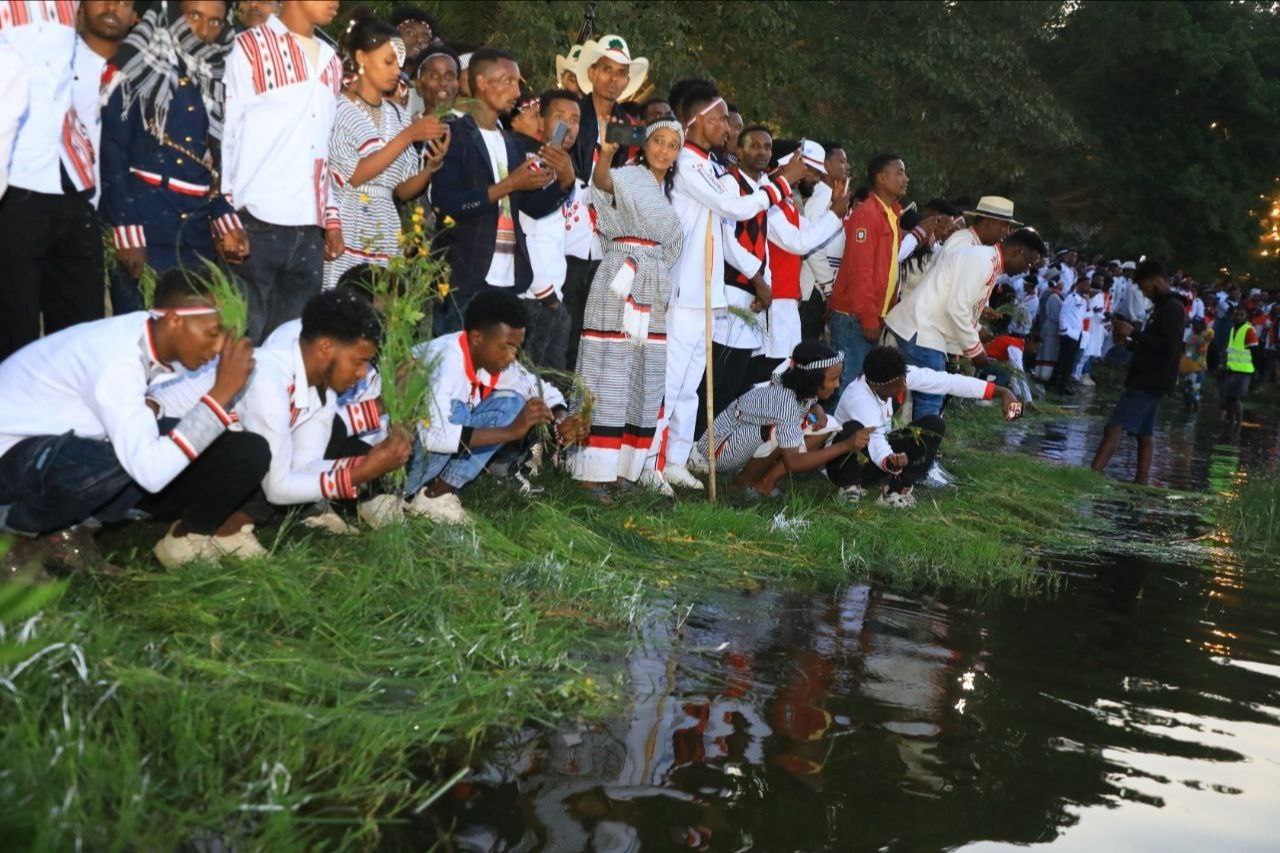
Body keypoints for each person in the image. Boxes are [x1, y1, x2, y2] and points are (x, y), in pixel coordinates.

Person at [0, 268, 266, 574]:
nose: (219, 348)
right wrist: (220, 397)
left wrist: (152, 406)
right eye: (213, 333)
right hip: (10, 453)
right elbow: (150, 472)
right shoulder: (118, 361)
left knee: (234, 449)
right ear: (175, 320)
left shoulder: (148, 335)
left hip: (52, 444)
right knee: (124, 461)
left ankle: (66, 531)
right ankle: (14, 533)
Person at [663, 82, 806, 490]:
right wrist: (782, 181)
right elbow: (735, 208)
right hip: (682, 289)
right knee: (672, 383)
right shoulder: (687, 165)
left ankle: (674, 460)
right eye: (720, 119)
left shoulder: (709, 166)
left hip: (707, 292)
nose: (727, 126)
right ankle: (651, 463)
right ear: (693, 121)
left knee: (691, 385)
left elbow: (727, 230)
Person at [99, 0, 242, 315]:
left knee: (190, 344)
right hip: (143, 237)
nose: (204, 31)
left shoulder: (213, 78)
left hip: (195, 239)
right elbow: (112, 153)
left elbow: (205, 166)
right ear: (173, 12)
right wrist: (126, 230)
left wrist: (224, 218)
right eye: (194, 16)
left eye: (215, 22)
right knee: (137, 341)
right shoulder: (134, 66)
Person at [233, 288, 413, 525]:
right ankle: (213, 529)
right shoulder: (269, 378)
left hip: (241, 467)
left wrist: (374, 461)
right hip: (196, 472)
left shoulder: (323, 388)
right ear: (325, 348)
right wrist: (360, 472)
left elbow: (305, 466)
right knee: (256, 453)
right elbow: (277, 487)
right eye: (359, 362)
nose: (361, 374)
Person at [572, 118, 684, 498]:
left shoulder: (660, 191)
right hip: (621, 280)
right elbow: (604, 183)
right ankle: (592, 471)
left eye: (672, 145)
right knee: (609, 371)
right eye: (658, 141)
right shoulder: (628, 175)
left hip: (650, 286)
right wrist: (604, 157)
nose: (664, 150)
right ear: (645, 143)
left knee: (642, 374)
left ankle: (622, 469)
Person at [405, 291, 586, 523]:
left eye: (516, 350)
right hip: (396, 463)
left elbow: (536, 387)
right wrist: (511, 431)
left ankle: (436, 495)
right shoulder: (446, 359)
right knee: (457, 411)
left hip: (426, 455)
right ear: (477, 337)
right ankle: (394, 494)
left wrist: (560, 418)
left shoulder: (495, 362)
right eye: (506, 347)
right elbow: (434, 437)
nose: (511, 357)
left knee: (512, 403)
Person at [222, 0, 344, 343]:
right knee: (240, 342)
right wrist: (225, 215)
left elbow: (323, 146)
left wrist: (330, 217)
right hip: (253, 222)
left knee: (288, 349)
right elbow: (226, 134)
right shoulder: (247, 46)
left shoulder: (332, 61)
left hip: (308, 229)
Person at [430, 47, 571, 334]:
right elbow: (445, 203)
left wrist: (565, 182)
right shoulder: (453, 133)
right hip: (464, 276)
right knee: (454, 368)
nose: (517, 91)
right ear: (481, 82)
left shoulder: (512, 143)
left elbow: (531, 208)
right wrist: (509, 185)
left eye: (517, 82)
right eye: (508, 81)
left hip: (510, 279)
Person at [0, 0, 102, 359]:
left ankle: (71, 416)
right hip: (13, 185)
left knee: (81, 336)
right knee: (15, 338)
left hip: (71, 177)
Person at [325, 14, 448, 288]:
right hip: (348, 220)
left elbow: (402, 191)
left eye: (399, 64)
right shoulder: (338, 107)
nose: (396, 71)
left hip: (385, 225)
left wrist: (429, 167)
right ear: (361, 58)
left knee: (381, 312)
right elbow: (355, 176)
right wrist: (409, 136)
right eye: (388, 61)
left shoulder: (398, 114)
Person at [830, 345, 1021, 508]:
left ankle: (895, 491)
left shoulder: (895, 376)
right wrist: (891, 460)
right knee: (854, 429)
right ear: (879, 384)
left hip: (880, 456)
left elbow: (946, 382)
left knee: (933, 424)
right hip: (847, 465)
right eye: (897, 386)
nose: (903, 388)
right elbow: (877, 442)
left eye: (903, 381)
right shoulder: (859, 398)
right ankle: (848, 488)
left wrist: (1000, 392)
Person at [884, 228, 1047, 418]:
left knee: (917, 392)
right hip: (922, 329)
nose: (1027, 269)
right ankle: (922, 444)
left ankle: (914, 440)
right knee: (931, 397)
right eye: (1029, 263)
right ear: (1017, 251)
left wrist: (977, 329)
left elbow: (963, 305)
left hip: (926, 329)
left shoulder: (990, 262)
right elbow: (957, 309)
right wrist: (975, 350)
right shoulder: (982, 261)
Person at [562, 34, 649, 372]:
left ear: (627, 81)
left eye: (620, 73)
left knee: (594, 329)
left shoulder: (631, 128)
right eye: (606, 70)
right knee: (561, 329)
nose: (613, 79)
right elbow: (552, 153)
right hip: (565, 231)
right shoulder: (569, 112)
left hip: (607, 241)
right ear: (593, 73)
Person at [690, 342, 868, 497]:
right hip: (719, 448)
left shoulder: (797, 385)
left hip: (740, 439)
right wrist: (845, 446)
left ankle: (764, 482)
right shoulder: (785, 402)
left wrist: (817, 408)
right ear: (813, 378)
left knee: (827, 424)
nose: (837, 385)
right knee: (778, 433)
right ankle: (740, 484)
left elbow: (808, 404)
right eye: (833, 379)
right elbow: (794, 462)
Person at [1090, 261, 1186, 484]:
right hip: (1151, 376)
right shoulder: (1163, 307)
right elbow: (1154, 345)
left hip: (1150, 379)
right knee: (1144, 435)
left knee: (1113, 427)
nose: (1144, 293)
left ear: (1156, 281)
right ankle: (1141, 482)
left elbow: (1169, 348)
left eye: (1144, 287)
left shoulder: (1172, 308)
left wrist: (1135, 333)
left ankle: (1091, 474)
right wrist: (1129, 343)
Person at [760, 140, 847, 375]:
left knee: (788, 369)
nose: (814, 178)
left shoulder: (786, 202)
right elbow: (799, 243)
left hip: (787, 299)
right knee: (772, 372)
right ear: (786, 164)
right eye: (808, 169)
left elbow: (809, 233)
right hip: (773, 299)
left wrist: (833, 210)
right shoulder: (767, 199)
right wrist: (834, 214)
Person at [828, 153, 911, 389]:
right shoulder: (868, 214)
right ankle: (837, 426)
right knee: (845, 386)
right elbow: (860, 270)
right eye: (900, 172)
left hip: (870, 316)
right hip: (854, 317)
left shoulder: (891, 214)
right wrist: (868, 318)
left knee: (859, 386)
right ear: (881, 178)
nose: (905, 178)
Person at [516, 89, 580, 370]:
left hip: (552, 295)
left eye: (575, 119)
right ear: (541, 120)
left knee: (552, 387)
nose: (568, 126)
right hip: (535, 299)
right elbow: (527, 225)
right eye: (559, 117)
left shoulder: (559, 164)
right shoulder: (531, 161)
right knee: (532, 386)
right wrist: (547, 296)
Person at [74, 0, 137, 210]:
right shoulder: (59, 62)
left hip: (126, 214)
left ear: (134, 17)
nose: (111, 7)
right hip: (66, 203)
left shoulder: (145, 74)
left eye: (123, 2)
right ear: (80, 8)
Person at [799, 141, 850, 342]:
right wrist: (829, 288)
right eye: (842, 161)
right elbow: (812, 245)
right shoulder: (821, 195)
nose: (847, 166)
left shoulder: (830, 195)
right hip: (813, 288)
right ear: (826, 165)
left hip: (819, 288)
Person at [1048, 275, 1089, 395]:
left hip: (1077, 334)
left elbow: (1081, 317)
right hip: (1068, 333)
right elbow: (1063, 314)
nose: (1088, 287)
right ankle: (1054, 383)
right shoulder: (1072, 297)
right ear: (1079, 285)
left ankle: (1062, 385)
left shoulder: (1084, 300)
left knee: (1070, 362)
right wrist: (1064, 330)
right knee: (1062, 360)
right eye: (1086, 284)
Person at [1219, 303, 1258, 427]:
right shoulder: (1232, 329)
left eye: (1241, 315)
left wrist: (1256, 369)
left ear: (1246, 316)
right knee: (1228, 397)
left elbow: (1255, 351)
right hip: (1231, 367)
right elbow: (1229, 348)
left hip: (1244, 369)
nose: (1238, 317)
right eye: (1236, 315)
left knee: (1235, 397)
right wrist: (1223, 362)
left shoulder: (1249, 330)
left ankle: (1238, 424)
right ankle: (1231, 422)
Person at [412, 44, 461, 119]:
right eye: (433, 76)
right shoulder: (408, 128)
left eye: (449, 76)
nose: (443, 82)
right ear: (418, 85)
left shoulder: (469, 127)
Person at [1180, 317, 1212, 411]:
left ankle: (1194, 417)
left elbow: (1210, 334)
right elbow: (1186, 351)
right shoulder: (1191, 335)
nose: (1194, 326)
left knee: (1194, 394)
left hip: (1197, 370)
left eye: (1196, 324)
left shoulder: (1205, 337)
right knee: (1186, 393)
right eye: (1193, 324)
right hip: (1188, 369)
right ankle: (1187, 416)